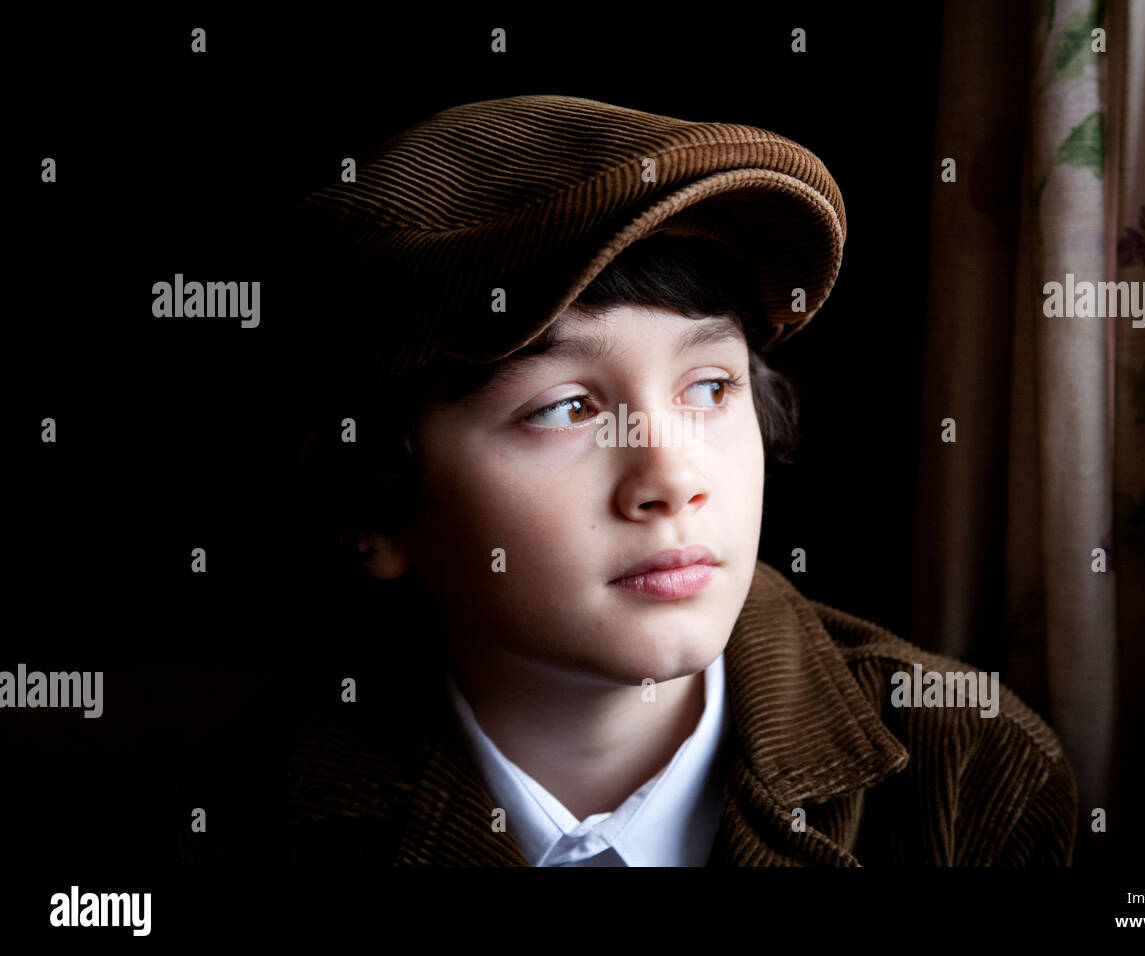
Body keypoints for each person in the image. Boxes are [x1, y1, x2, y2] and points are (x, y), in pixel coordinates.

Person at [190, 95, 1077, 867]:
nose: (671, 477)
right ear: (369, 505)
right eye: (565, 408)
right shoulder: (244, 817)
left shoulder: (970, 772)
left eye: (710, 387)